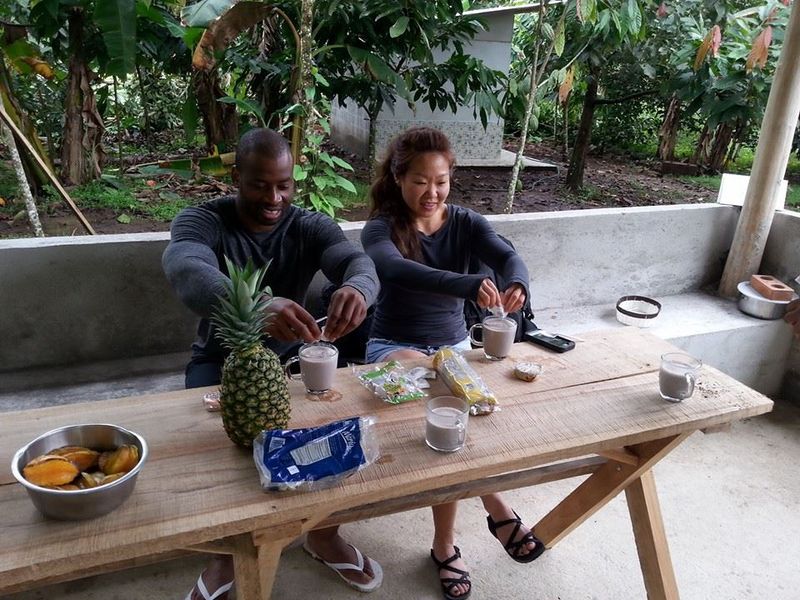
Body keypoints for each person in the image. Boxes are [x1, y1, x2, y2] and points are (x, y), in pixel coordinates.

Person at [163, 128, 383, 599]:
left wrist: (357, 289)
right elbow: (185, 267)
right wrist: (255, 305)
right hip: (219, 359)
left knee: (333, 439)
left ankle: (322, 534)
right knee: (217, 454)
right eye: (260, 185)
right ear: (236, 179)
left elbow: (354, 260)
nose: (274, 198)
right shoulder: (203, 220)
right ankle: (228, 553)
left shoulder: (308, 225)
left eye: (284, 185)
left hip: (291, 361)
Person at [361, 127, 544, 600]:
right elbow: (395, 269)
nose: (432, 192)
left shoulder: (466, 222)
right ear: (399, 179)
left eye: (441, 181)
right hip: (394, 347)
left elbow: (506, 256)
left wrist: (517, 284)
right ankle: (495, 512)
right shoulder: (381, 228)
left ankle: (447, 545)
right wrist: (465, 285)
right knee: (449, 403)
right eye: (420, 181)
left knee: (454, 423)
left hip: (454, 347)